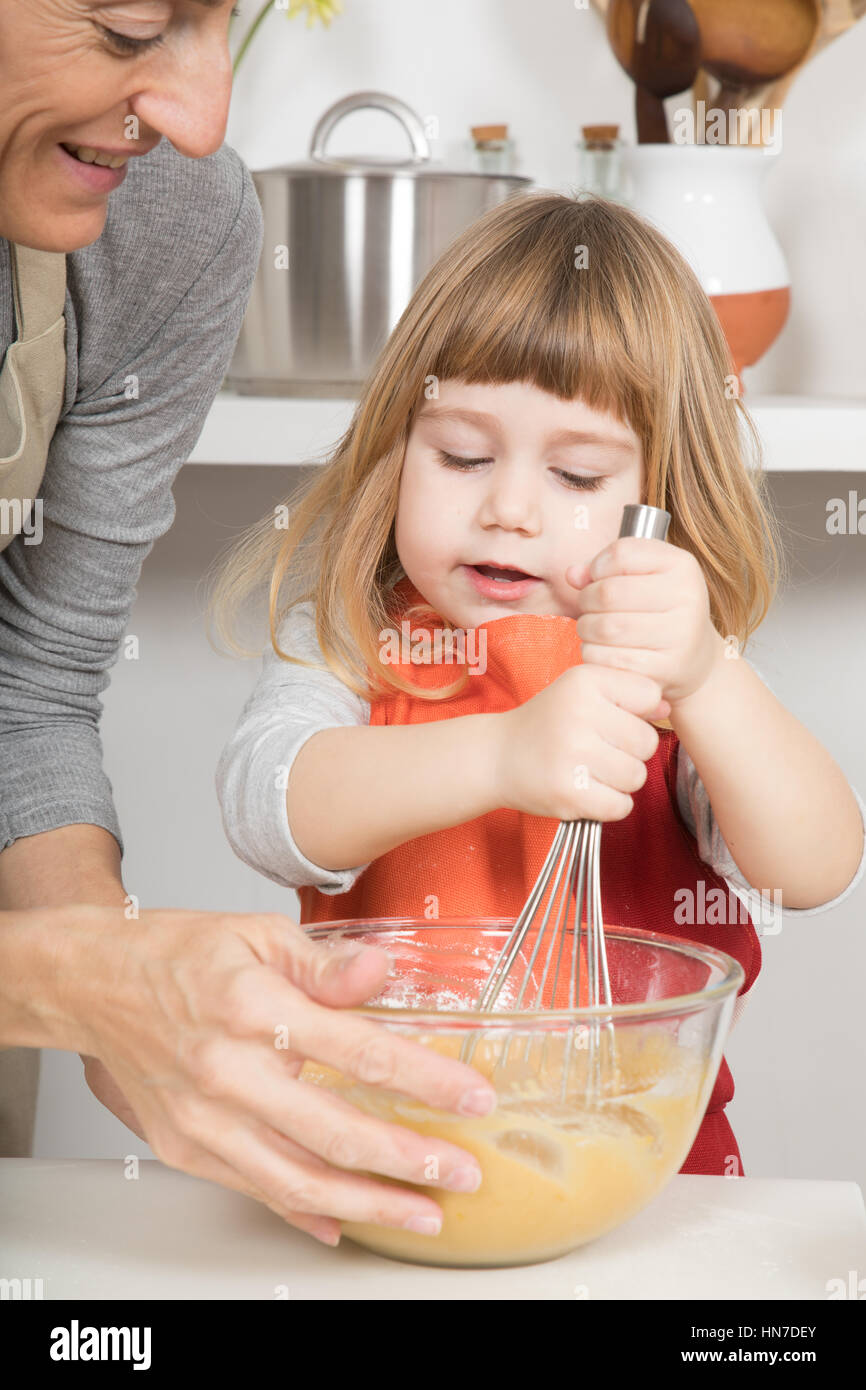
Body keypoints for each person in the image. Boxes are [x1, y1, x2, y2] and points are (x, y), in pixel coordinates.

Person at [212, 192, 866, 1176]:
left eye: (574, 478)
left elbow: (810, 870)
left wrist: (705, 675)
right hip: (394, 1158)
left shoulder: (668, 679)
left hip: (644, 1170)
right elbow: (269, 809)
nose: (508, 507)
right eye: (462, 455)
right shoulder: (351, 646)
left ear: (660, 497)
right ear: (394, 453)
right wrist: (501, 754)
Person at [0, 0, 496, 1250]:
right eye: (124, 27)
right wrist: (67, 979)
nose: (204, 119)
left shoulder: (161, 219)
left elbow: (28, 684)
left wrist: (126, 998)